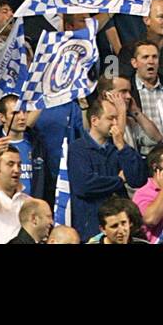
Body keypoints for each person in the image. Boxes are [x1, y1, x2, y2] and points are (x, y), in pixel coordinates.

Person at [66, 95, 148, 237]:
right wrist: (119, 180)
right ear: (94, 121)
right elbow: (84, 185)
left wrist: (122, 146)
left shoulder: (119, 147)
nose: (115, 123)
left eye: (117, 118)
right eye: (110, 118)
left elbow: (138, 179)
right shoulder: (78, 149)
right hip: (91, 226)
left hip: (120, 227)